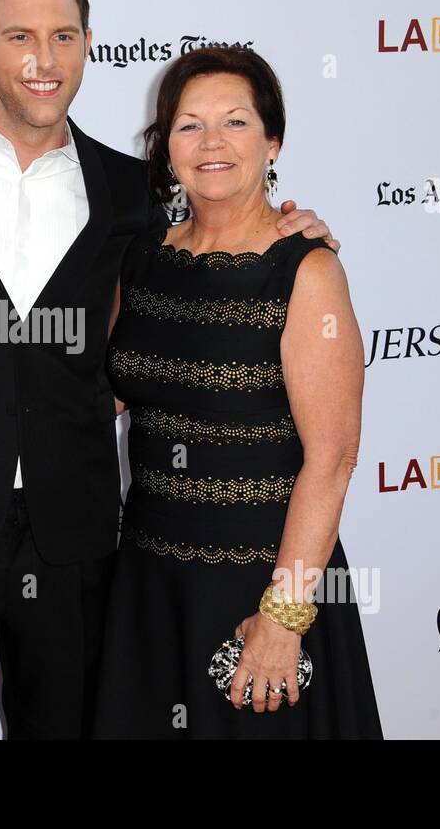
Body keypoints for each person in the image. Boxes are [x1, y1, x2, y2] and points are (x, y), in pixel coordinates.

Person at [0, 0, 335, 739]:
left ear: (87, 43)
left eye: (64, 36)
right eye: (18, 37)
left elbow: (197, 276)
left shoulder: (128, 196)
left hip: (76, 543)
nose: (44, 60)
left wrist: (300, 228)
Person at [93, 45, 382, 738]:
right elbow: (106, 394)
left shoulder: (306, 270)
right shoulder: (141, 256)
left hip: (262, 583)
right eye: (190, 125)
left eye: (236, 122)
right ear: (167, 146)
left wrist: (284, 617)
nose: (212, 142)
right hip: (152, 581)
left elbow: (333, 458)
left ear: (272, 140)